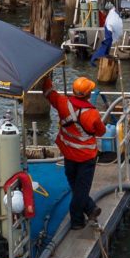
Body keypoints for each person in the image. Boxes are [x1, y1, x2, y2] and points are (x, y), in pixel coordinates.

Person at [46, 75, 103, 228]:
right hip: (86, 158)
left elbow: (48, 92)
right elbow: (101, 132)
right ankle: (77, 221)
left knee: (75, 184)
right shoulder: (92, 114)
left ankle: (90, 208)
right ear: (88, 94)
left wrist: (47, 77)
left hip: (68, 154)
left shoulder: (62, 102)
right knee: (81, 189)